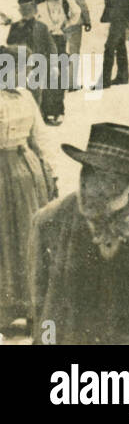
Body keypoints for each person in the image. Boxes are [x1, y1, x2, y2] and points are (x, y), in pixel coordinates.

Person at [30, 122, 129, 345]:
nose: (97, 186)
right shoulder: (51, 220)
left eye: (112, 180)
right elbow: (40, 291)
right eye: (92, 173)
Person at [0, 84, 55, 335]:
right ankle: (5, 311)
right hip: (9, 174)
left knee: (28, 239)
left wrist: (50, 172)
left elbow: (39, 137)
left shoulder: (25, 96)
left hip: (24, 173)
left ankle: (32, 309)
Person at [35, 0, 82, 127]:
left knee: (60, 76)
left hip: (60, 40)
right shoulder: (40, 4)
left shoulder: (66, 1)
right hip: (45, 42)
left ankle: (58, 110)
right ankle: (46, 110)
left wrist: (67, 25)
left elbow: (77, 13)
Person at [4, 0, 55, 119]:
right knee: (19, 92)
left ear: (35, 10)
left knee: (36, 92)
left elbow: (51, 45)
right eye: (23, 9)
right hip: (20, 64)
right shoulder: (16, 26)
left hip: (37, 63)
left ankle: (36, 117)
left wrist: (53, 64)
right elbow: (9, 43)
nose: (26, 11)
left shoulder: (42, 27)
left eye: (29, 8)